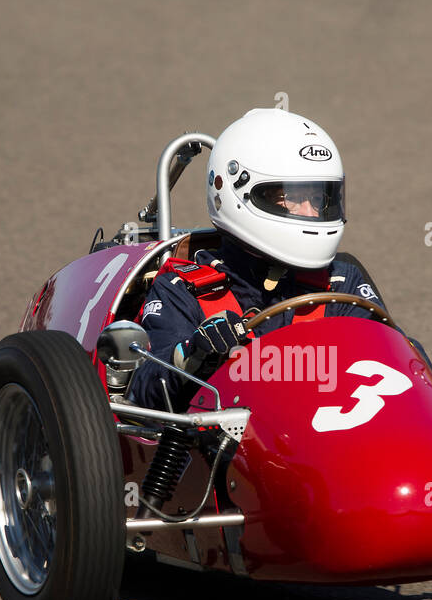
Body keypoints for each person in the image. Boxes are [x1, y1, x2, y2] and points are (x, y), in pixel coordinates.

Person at [127, 108, 397, 410]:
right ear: (237, 193)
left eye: (318, 198)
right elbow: (144, 393)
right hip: (234, 448)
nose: (310, 212)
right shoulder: (184, 288)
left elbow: (400, 366)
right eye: (293, 198)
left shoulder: (340, 281)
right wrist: (194, 355)